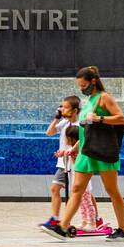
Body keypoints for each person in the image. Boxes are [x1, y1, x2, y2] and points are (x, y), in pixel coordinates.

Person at [41, 66, 124, 240]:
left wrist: (100, 118)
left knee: (112, 190)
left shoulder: (104, 98)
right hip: (86, 151)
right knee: (76, 188)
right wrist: (73, 149)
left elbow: (121, 118)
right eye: (80, 86)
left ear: (93, 81)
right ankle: (62, 227)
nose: (82, 89)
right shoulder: (89, 100)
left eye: (83, 85)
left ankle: (123, 229)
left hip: (102, 151)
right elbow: (85, 131)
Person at [40, 96, 80, 229]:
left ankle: (94, 218)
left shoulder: (79, 125)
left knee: (82, 192)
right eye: (61, 107)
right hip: (63, 162)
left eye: (65, 107)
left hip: (73, 162)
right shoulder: (64, 122)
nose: (62, 109)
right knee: (55, 188)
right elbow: (49, 132)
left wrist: (66, 152)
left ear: (74, 110)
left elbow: (79, 144)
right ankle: (55, 219)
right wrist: (57, 118)